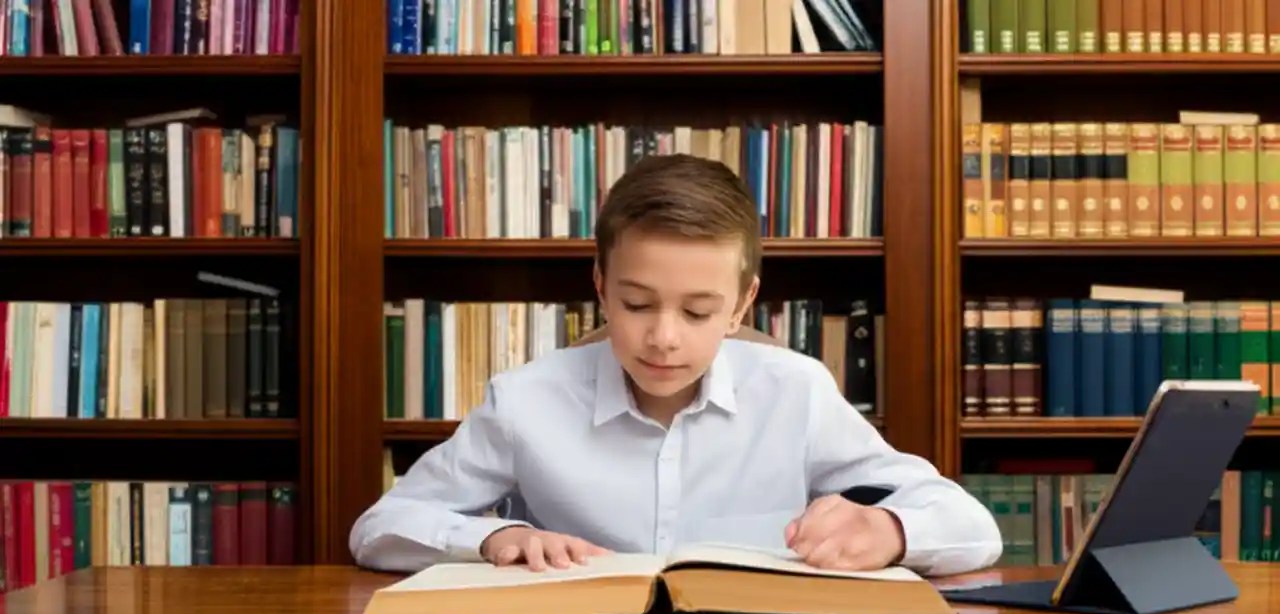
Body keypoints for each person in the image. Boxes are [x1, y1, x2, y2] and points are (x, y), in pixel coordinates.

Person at [349, 153, 1002, 578]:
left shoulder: (796, 392)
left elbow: (972, 527)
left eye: (697, 312)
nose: (663, 338)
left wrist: (890, 528)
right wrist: (496, 538)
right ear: (601, 285)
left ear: (743, 302)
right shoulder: (525, 402)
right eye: (637, 303)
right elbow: (380, 529)